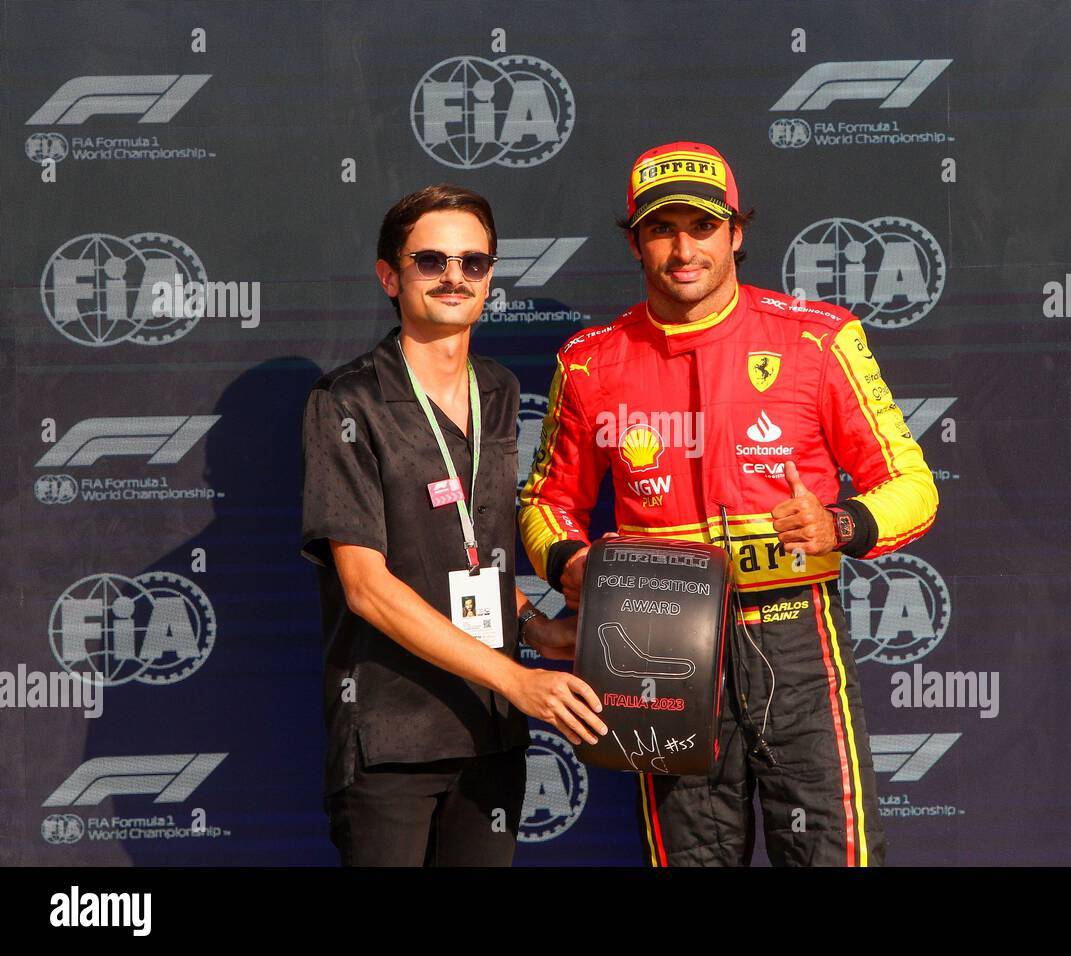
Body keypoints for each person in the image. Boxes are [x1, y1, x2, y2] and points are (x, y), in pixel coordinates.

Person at [519, 143, 938, 866]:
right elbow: (545, 500)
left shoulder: (816, 339)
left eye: (703, 226)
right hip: (663, 644)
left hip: (794, 634)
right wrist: (570, 565)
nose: (684, 249)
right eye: (662, 229)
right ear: (635, 242)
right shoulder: (590, 362)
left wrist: (840, 524)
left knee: (829, 857)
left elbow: (912, 485)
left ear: (736, 233)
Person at [301, 184, 607, 867]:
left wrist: (536, 630)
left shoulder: (498, 390)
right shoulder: (346, 400)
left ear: (491, 276)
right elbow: (366, 588)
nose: (454, 276)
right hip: (391, 737)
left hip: (490, 734)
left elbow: (480, 553)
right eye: (431, 260)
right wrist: (518, 681)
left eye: (473, 263)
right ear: (390, 275)